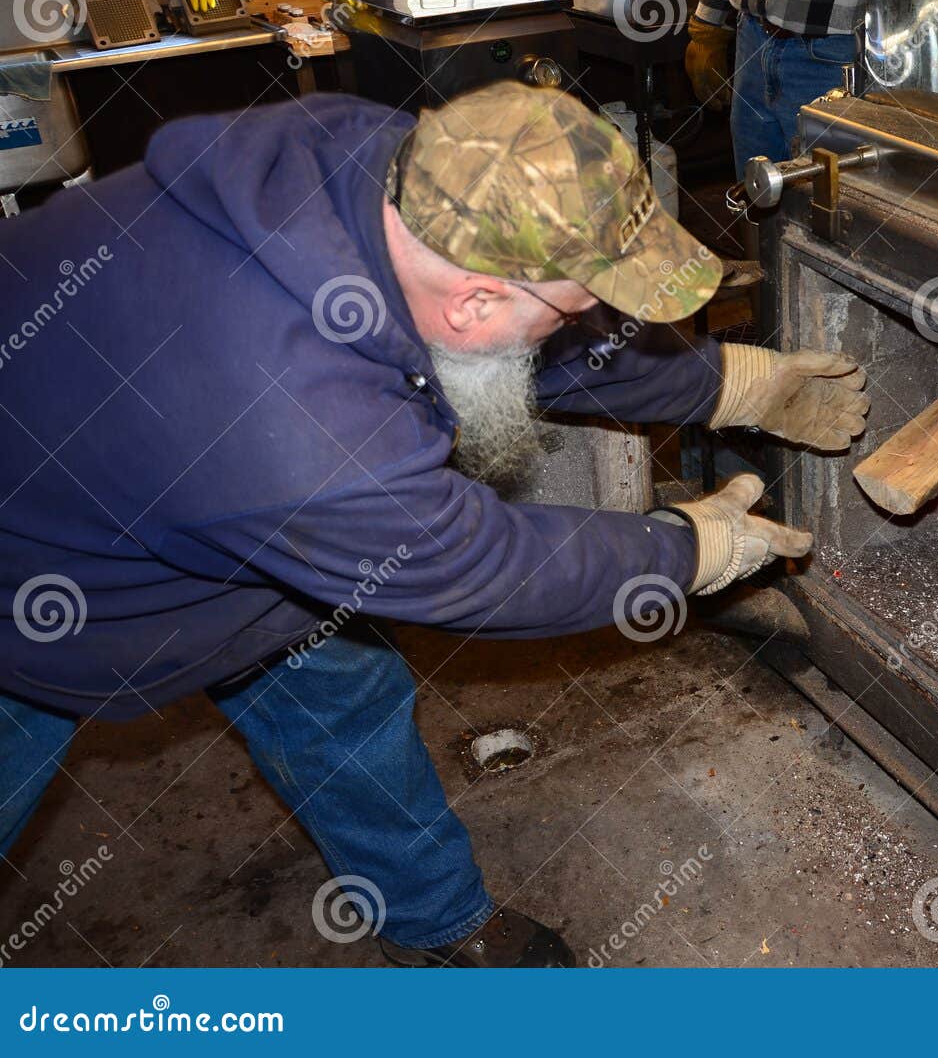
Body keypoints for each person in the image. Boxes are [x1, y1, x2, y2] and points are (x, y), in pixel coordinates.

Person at [0, 82, 868, 966]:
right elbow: (478, 566)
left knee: (344, 691)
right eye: (583, 308)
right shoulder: (306, 439)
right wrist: (692, 549)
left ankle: (437, 925)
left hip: (180, 484)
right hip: (43, 583)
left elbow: (516, 348)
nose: (597, 327)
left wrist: (728, 384)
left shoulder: (386, 162)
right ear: (475, 306)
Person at [686, 0, 896, 169]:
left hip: (831, 61)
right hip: (751, 44)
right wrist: (708, 28)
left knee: (828, 199)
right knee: (756, 191)